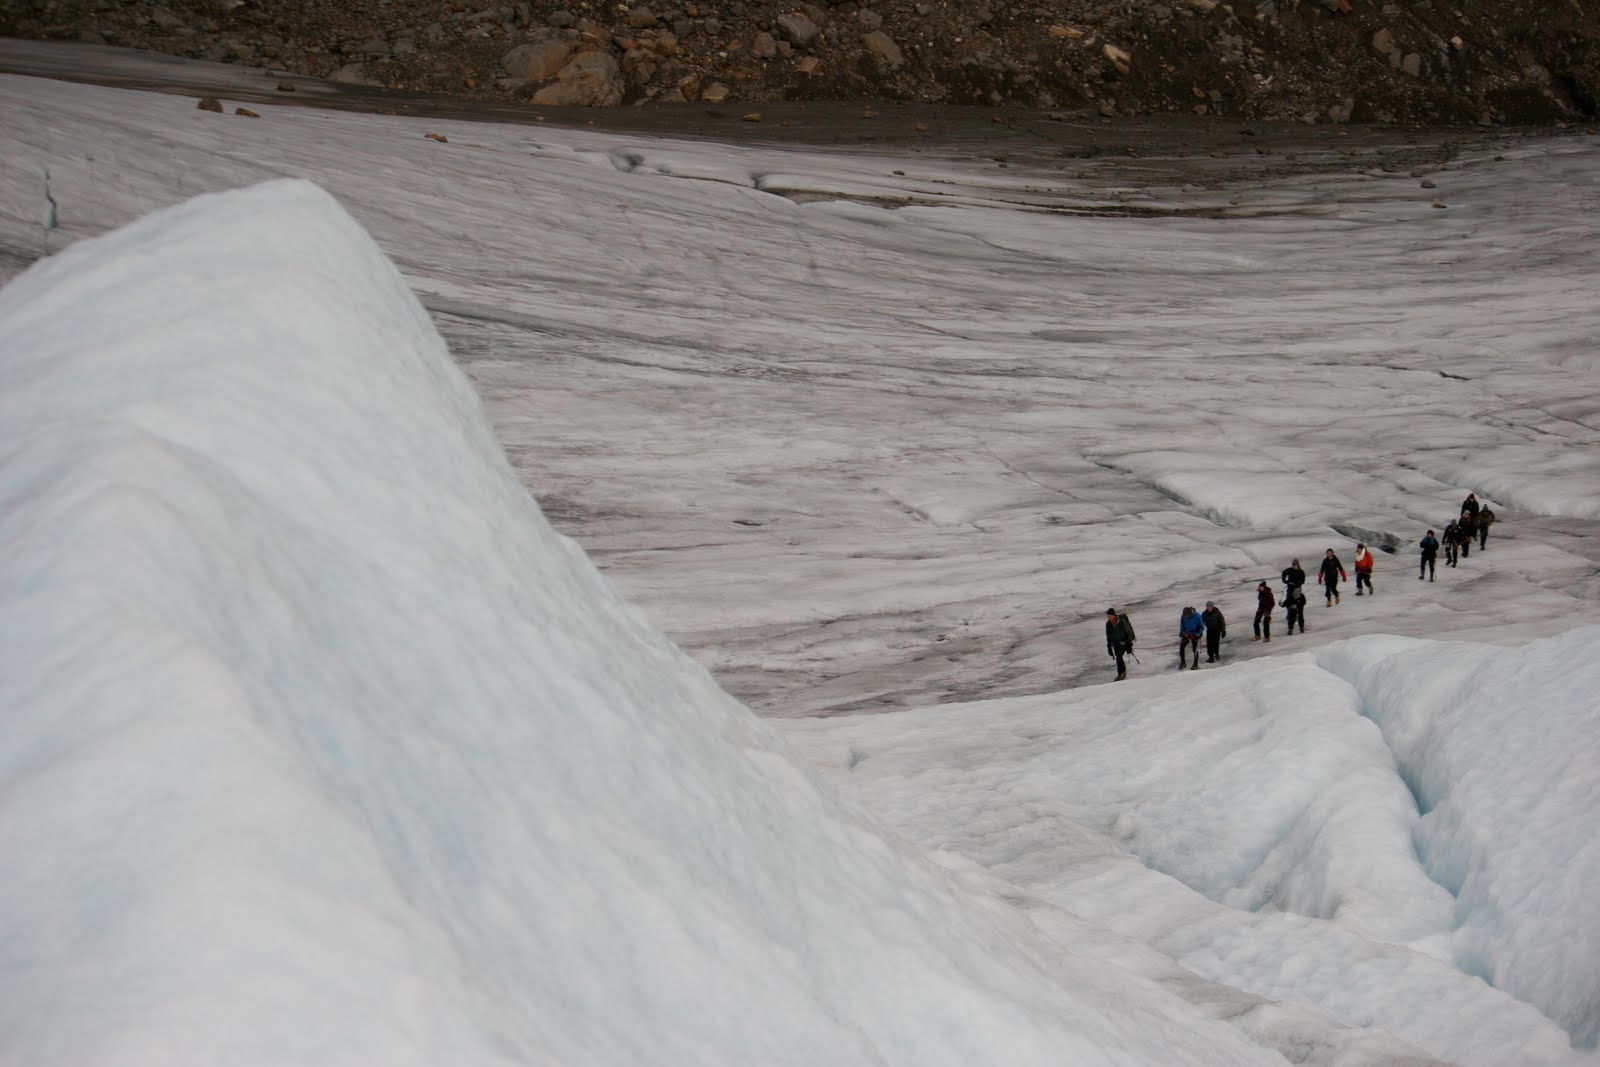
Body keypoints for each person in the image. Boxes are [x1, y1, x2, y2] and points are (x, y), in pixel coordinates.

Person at [1106, 608, 1136, 681]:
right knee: (1118, 657)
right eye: (1107, 616)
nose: (1109, 618)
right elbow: (1108, 636)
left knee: (1119, 657)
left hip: (1124, 642)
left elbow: (1129, 633)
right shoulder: (1108, 624)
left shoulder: (1122, 621)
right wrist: (1109, 646)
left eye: (1110, 616)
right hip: (1116, 643)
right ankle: (1122, 672)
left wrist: (1129, 644)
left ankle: (1121, 673)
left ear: (1114, 615)